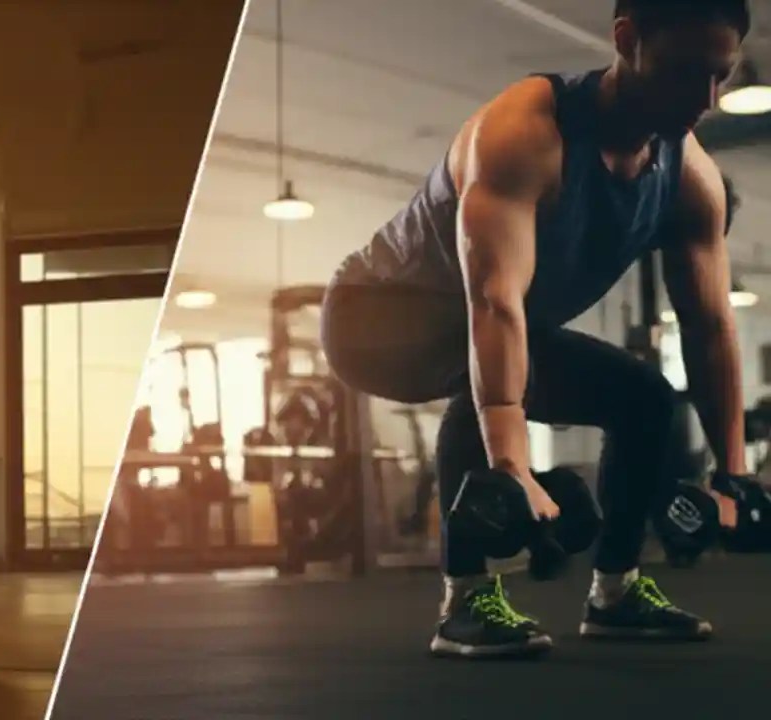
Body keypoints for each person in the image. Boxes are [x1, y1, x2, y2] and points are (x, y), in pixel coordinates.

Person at [320, 0, 750, 659]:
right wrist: (511, 467)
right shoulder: (522, 133)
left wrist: (733, 471)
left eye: (720, 75)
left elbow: (712, 328)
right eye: (685, 71)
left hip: (493, 318)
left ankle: (616, 592)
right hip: (377, 315)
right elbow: (494, 305)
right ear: (627, 39)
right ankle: (466, 602)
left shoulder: (690, 179)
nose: (706, 97)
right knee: (488, 390)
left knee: (645, 398)